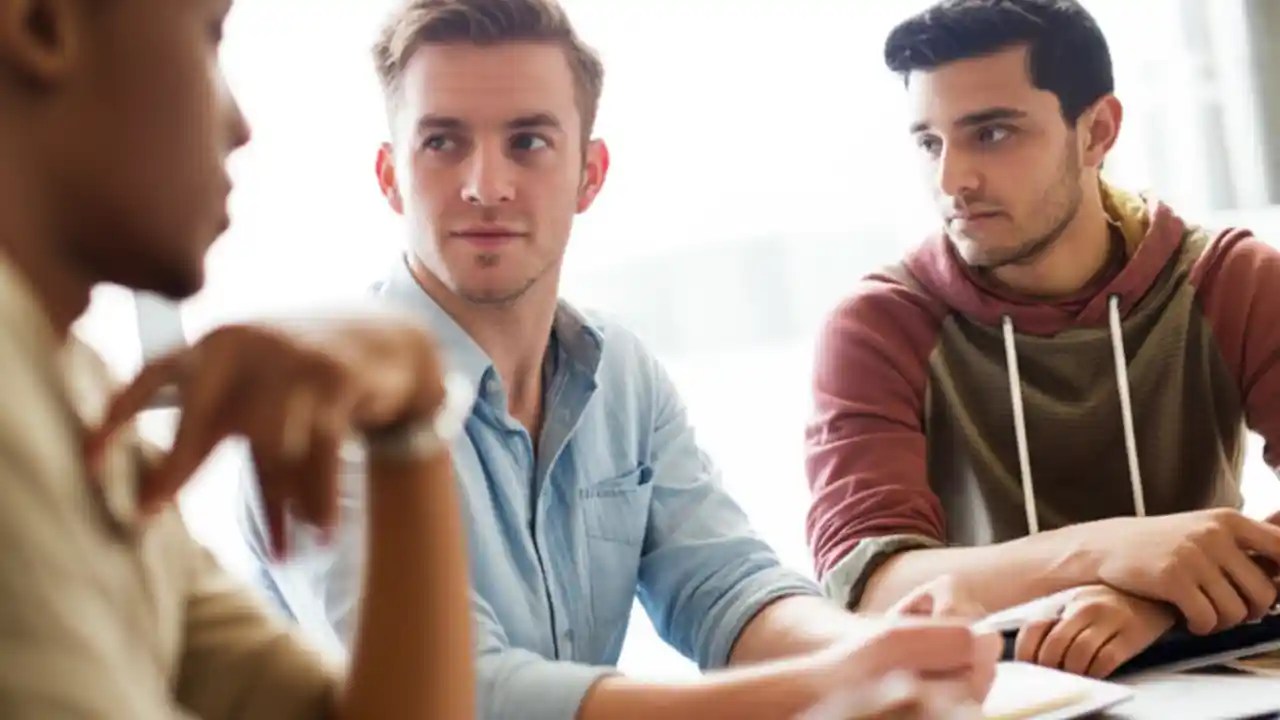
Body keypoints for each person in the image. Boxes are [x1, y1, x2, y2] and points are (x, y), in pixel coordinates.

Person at [240, 0, 1001, 718]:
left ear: (590, 174)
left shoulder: (620, 373)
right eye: (443, 142)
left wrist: (878, 646)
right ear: (390, 177)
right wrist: (831, 681)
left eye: (528, 143)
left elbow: (724, 586)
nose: (486, 186)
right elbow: (459, 693)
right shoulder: (324, 401)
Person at [0, 0, 475, 717]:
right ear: (43, 24)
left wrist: (411, 413)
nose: (241, 125)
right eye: (209, 33)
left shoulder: (77, 391)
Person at [805, 0, 1280, 680]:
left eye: (992, 133)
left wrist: (1156, 603)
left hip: (1220, 683)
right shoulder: (877, 325)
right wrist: (1106, 553)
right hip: (997, 695)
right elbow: (870, 585)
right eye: (929, 143)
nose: (952, 181)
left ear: (1097, 132)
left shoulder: (1231, 280)